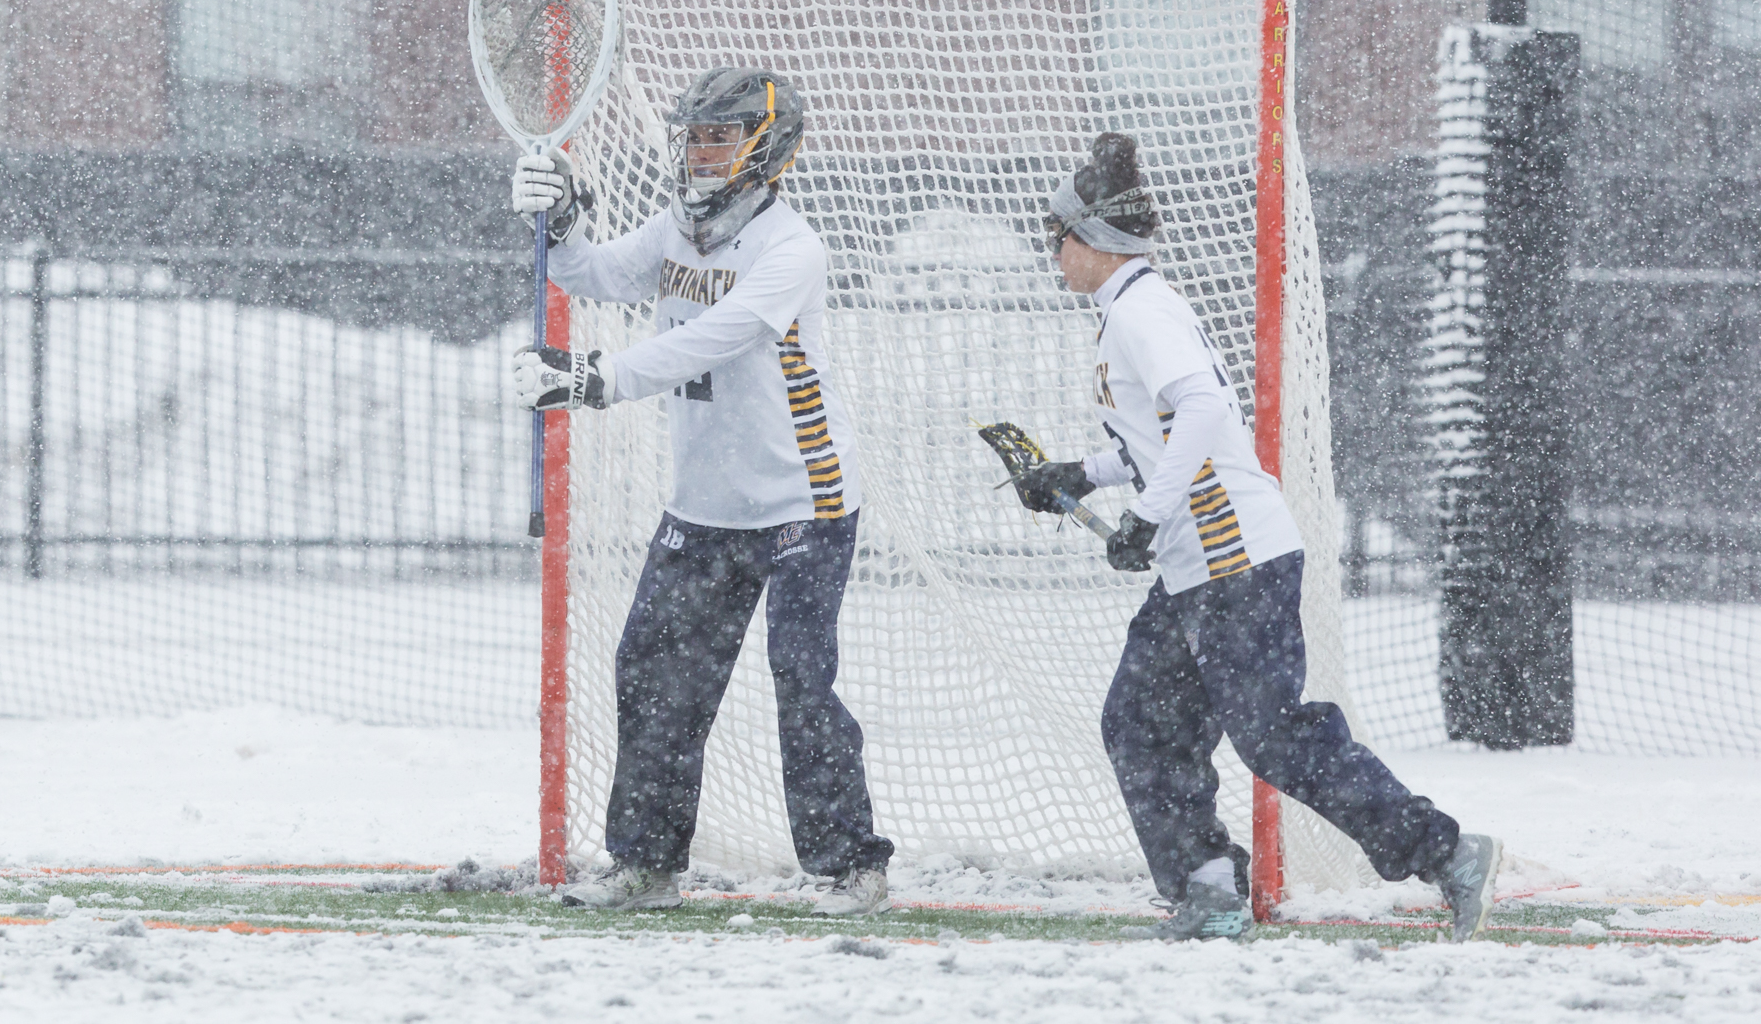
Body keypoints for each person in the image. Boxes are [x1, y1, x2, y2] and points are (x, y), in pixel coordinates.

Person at [1009, 132, 1500, 942]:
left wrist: (1147, 513)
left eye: (1056, 235)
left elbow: (1203, 409)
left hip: (1232, 558)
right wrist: (1082, 474)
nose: (1052, 251)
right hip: (1199, 566)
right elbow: (1163, 435)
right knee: (1140, 723)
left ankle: (1447, 852)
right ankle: (1207, 887)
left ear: (1093, 238)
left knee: (1276, 736)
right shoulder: (1130, 309)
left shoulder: (1139, 311)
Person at [509, 67, 894, 916]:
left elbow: (720, 337)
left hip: (803, 501)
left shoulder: (790, 247)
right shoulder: (677, 230)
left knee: (800, 679)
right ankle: (647, 865)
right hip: (706, 503)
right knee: (654, 673)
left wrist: (598, 377)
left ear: (767, 146)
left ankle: (851, 866)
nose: (700, 151)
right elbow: (595, 275)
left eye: (720, 135)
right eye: (694, 136)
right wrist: (565, 223)